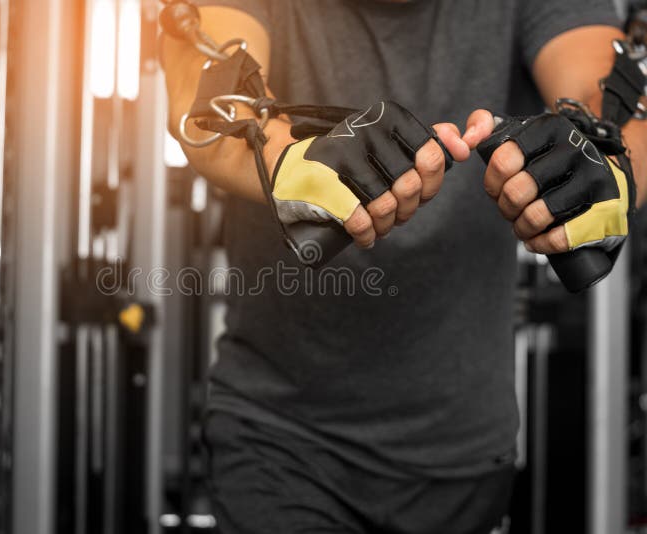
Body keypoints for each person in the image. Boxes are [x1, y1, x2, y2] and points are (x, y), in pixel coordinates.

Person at [161, 1, 646, 533]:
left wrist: (601, 166)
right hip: (282, 441)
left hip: (463, 455)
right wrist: (289, 159)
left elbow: (614, 101)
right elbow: (205, 92)